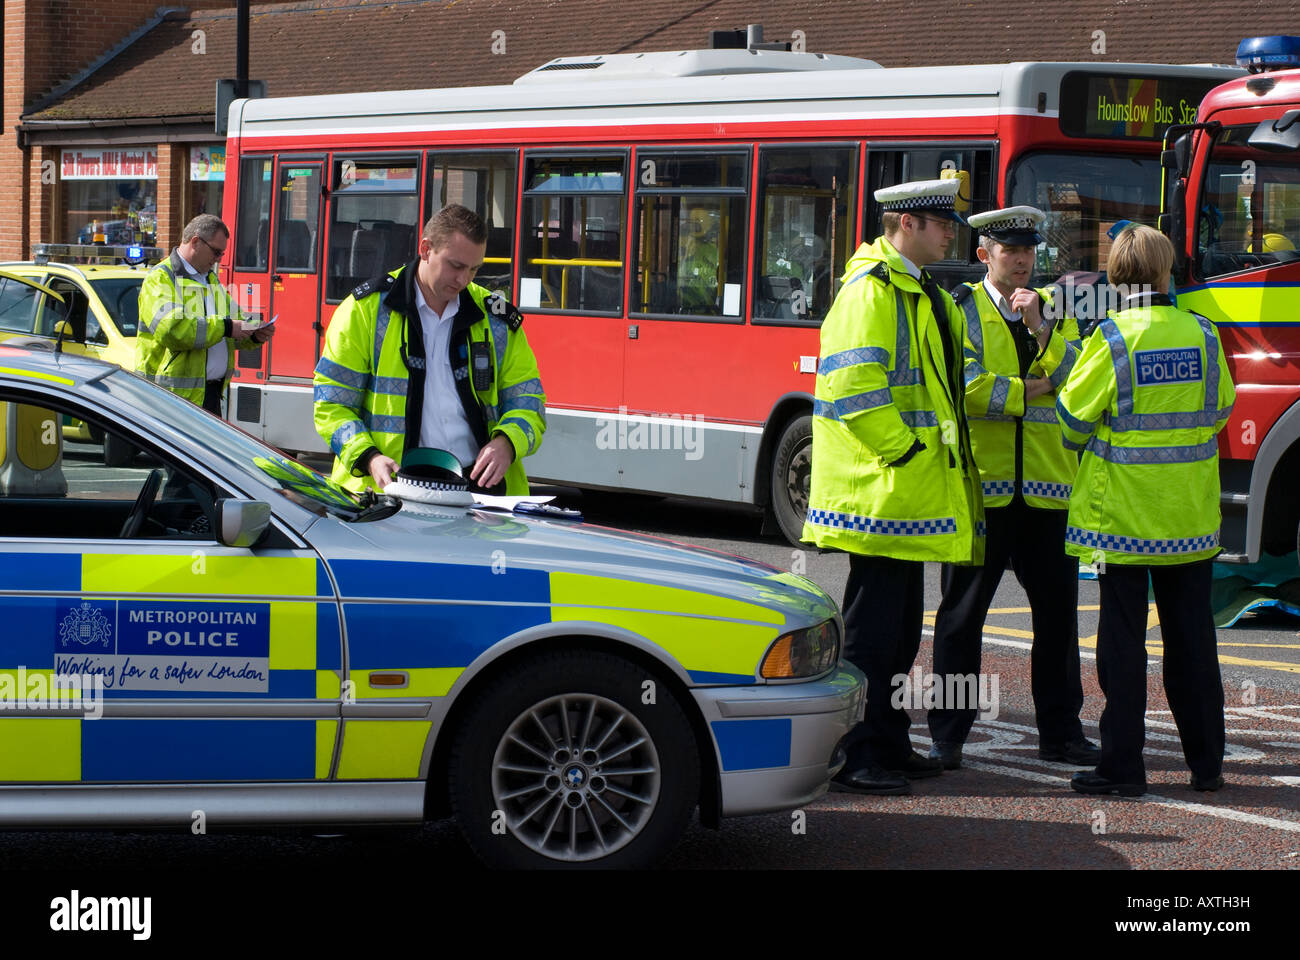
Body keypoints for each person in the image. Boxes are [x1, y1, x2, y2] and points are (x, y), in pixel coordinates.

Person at [803, 178, 984, 795]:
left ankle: (889, 741)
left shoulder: (913, 288)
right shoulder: (870, 290)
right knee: (871, 639)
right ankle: (856, 755)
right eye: (941, 223)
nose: (951, 233)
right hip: (878, 495)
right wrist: (905, 451)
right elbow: (855, 388)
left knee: (901, 636)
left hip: (902, 496)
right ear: (907, 223)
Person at [1057, 224, 1235, 797]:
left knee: (1122, 649)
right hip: (1188, 521)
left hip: (1123, 526)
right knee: (1193, 644)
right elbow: (1220, 411)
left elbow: (1070, 424)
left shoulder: (1110, 339)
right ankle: (1207, 765)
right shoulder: (1203, 334)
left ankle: (1123, 769)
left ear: (1116, 274)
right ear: (1166, 270)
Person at [927, 206, 1098, 770]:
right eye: (1009, 250)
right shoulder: (961, 309)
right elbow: (969, 387)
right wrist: (1037, 387)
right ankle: (948, 736)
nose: (1023, 260)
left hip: (1048, 492)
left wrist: (1041, 331)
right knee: (960, 618)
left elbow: (1079, 377)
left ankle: (1062, 732)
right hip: (985, 492)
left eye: (1029, 250)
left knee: (1058, 622)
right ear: (984, 256)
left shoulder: (1055, 309)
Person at [314, 203, 546, 495]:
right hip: (389, 491)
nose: (464, 279)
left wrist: (507, 443)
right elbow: (332, 404)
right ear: (426, 249)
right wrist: (369, 458)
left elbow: (529, 401)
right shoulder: (363, 312)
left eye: (474, 269)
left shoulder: (496, 319)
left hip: (480, 495)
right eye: (456, 265)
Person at [136, 214, 271, 414]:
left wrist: (253, 333)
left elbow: (230, 326)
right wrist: (227, 327)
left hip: (209, 394)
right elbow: (173, 330)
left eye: (222, 254)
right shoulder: (161, 278)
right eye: (216, 252)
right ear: (196, 242)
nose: (219, 259)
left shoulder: (209, 278)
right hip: (171, 398)